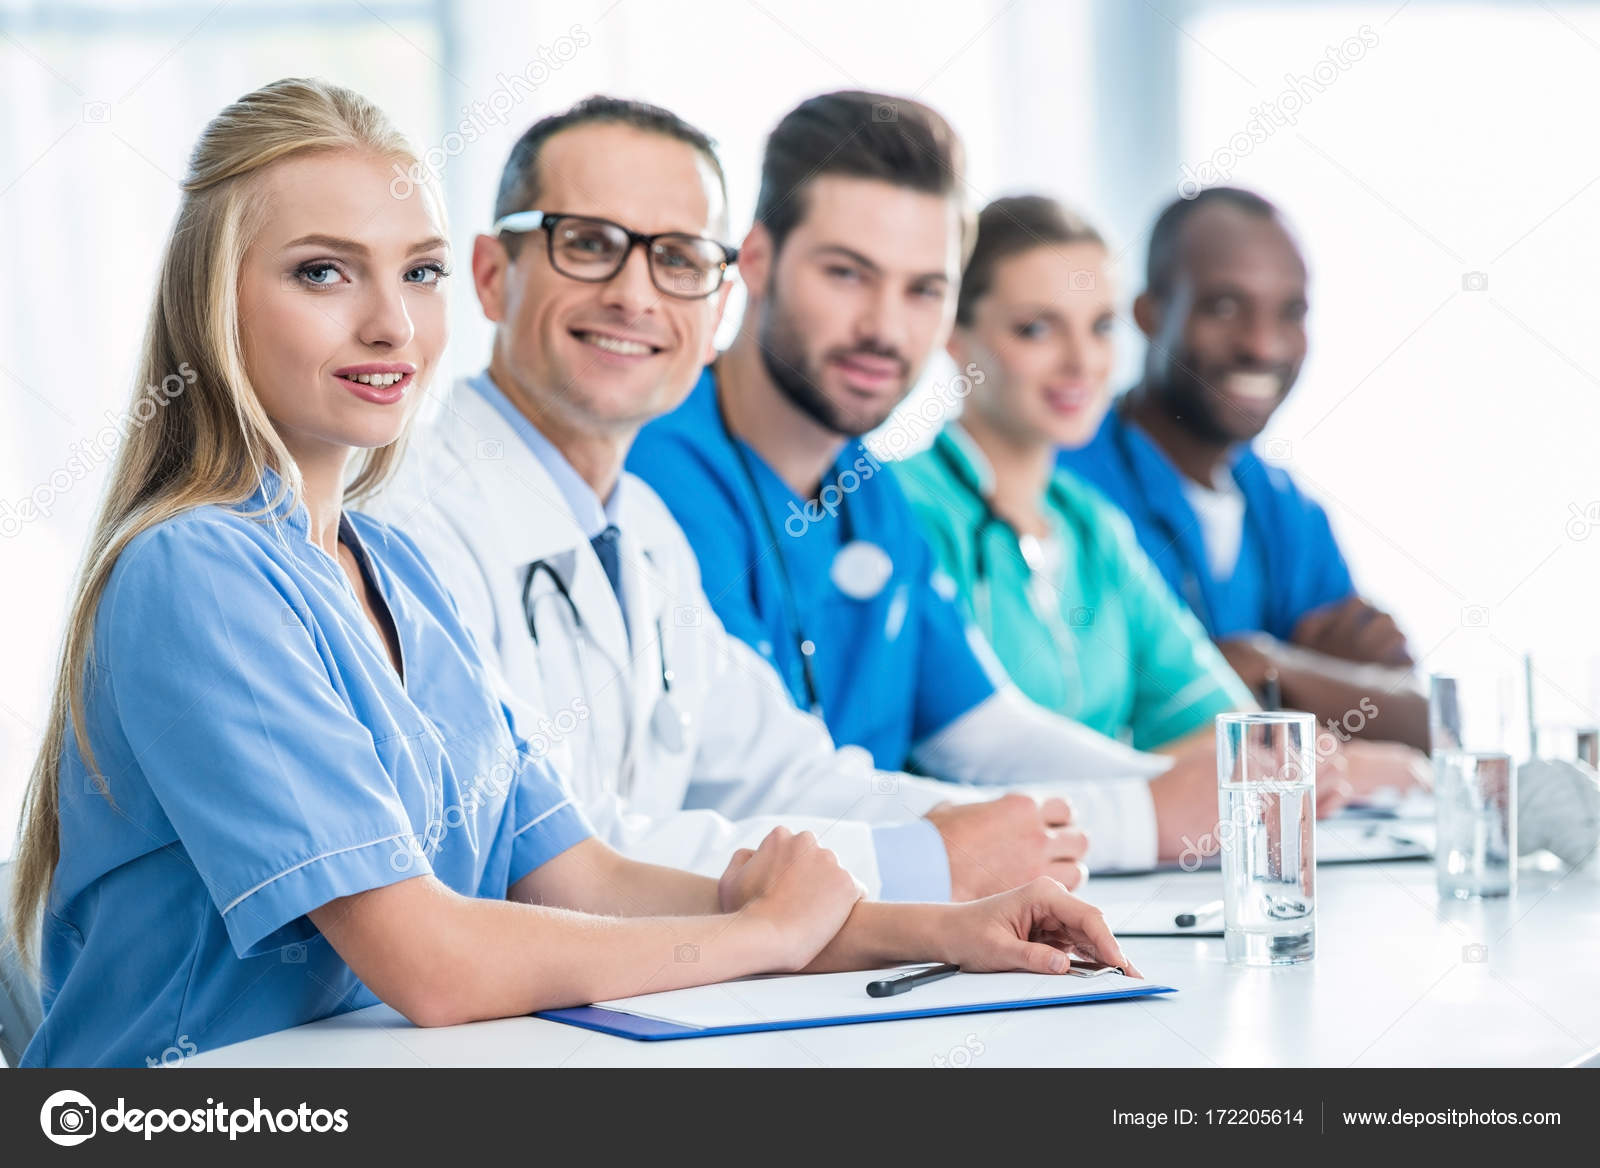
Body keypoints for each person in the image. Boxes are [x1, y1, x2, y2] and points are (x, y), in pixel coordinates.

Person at [6, 79, 1134, 1068]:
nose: (390, 322)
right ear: (213, 300)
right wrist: (757, 935)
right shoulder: (194, 570)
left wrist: (933, 929)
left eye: (417, 273)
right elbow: (431, 961)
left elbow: (580, 876)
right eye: (322, 272)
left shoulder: (390, 567)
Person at [369, 97, 1098, 903]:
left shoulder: (643, 532)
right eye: (588, 245)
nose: (634, 296)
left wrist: (1009, 835)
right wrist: (923, 860)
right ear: (490, 276)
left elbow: (782, 775)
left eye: (679, 259)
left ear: (718, 304)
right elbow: (546, 861)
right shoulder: (406, 526)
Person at [628, 91, 1278, 873]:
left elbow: (980, 732)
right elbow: (758, 792)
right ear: (757, 261)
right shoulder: (658, 473)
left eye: (923, 289)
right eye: (847, 274)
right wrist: (1141, 816)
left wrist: (1196, 792)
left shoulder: (867, 491)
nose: (884, 327)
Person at [896, 195, 1427, 796]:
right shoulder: (902, 511)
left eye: (1100, 327)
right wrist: (1228, 772)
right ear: (951, 333)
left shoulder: (1090, 526)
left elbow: (1225, 727)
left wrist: (1308, 752)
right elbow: (972, 753)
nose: (1081, 362)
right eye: (1036, 329)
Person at [1058, 187, 1429, 749]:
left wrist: (1269, 664)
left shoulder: (1287, 511)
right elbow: (1104, 721)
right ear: (1149, 314)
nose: (1262, 346)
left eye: (1290, 312)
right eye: (1225, 307)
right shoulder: (1067, 485)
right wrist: (1318, 687)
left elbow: (1422, 723)